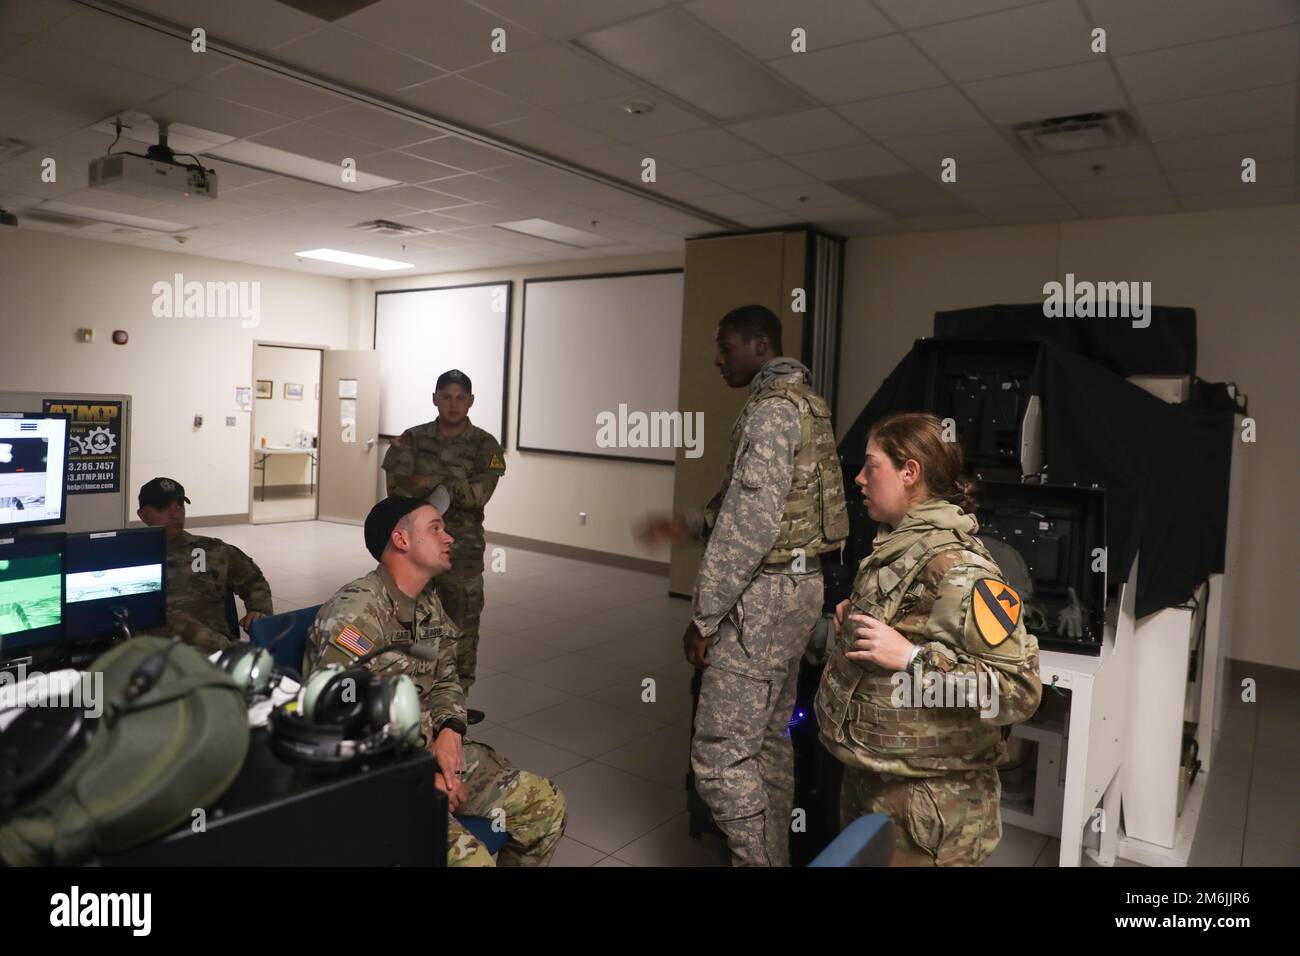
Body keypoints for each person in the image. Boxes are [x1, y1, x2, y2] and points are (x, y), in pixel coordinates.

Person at [637, 304, 848, 867]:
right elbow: (772, 506)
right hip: (800, 593)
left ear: (759, 347)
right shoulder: (809, 404)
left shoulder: (771, 413)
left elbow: (751, 527)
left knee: (719, 757)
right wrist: (688, 526)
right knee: (768, 743)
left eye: (726, 347)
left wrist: (704, 617)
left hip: (767, 599)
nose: (718, 359)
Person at [815, 412, 1042, 866]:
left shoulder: (959, 567)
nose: (858, 479)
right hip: (877, 782)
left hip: (930, 807)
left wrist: (911, 657)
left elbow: (1018, 692)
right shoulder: (898, 547)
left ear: (910, 472)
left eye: (870, 465)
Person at [306, 491, 565, 867]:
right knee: (472, 861)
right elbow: (333, 726)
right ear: (401, 540)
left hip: (427, 749)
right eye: (436, 528)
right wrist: (416, 774)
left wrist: (450, 734)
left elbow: (446, 678)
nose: (450, 538)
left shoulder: (428, 603)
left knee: (546, 808)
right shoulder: (355, 615)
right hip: (371, 776)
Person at [382, 369, 505, 694]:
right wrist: (451, 483)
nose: (453, 404)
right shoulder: (412, 438)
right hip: (413, 550)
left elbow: (479, 495)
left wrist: (431, 479)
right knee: (406, 620)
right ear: (435, 398)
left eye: (461, 397)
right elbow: (396, 491)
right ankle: (407, 693)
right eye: (446, 396)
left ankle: (455, 701)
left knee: (460, 624)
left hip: (460, 553)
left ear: (471, 401)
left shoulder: (485, 445)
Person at [136, 476, 272, 652]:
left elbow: (253, 579)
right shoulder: (130, 557)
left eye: (179, 505)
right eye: (163, 508)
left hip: (214, 653)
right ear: (143, 515)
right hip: (156, 658)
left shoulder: (213, 550)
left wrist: (259, 610)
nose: (174, 514)